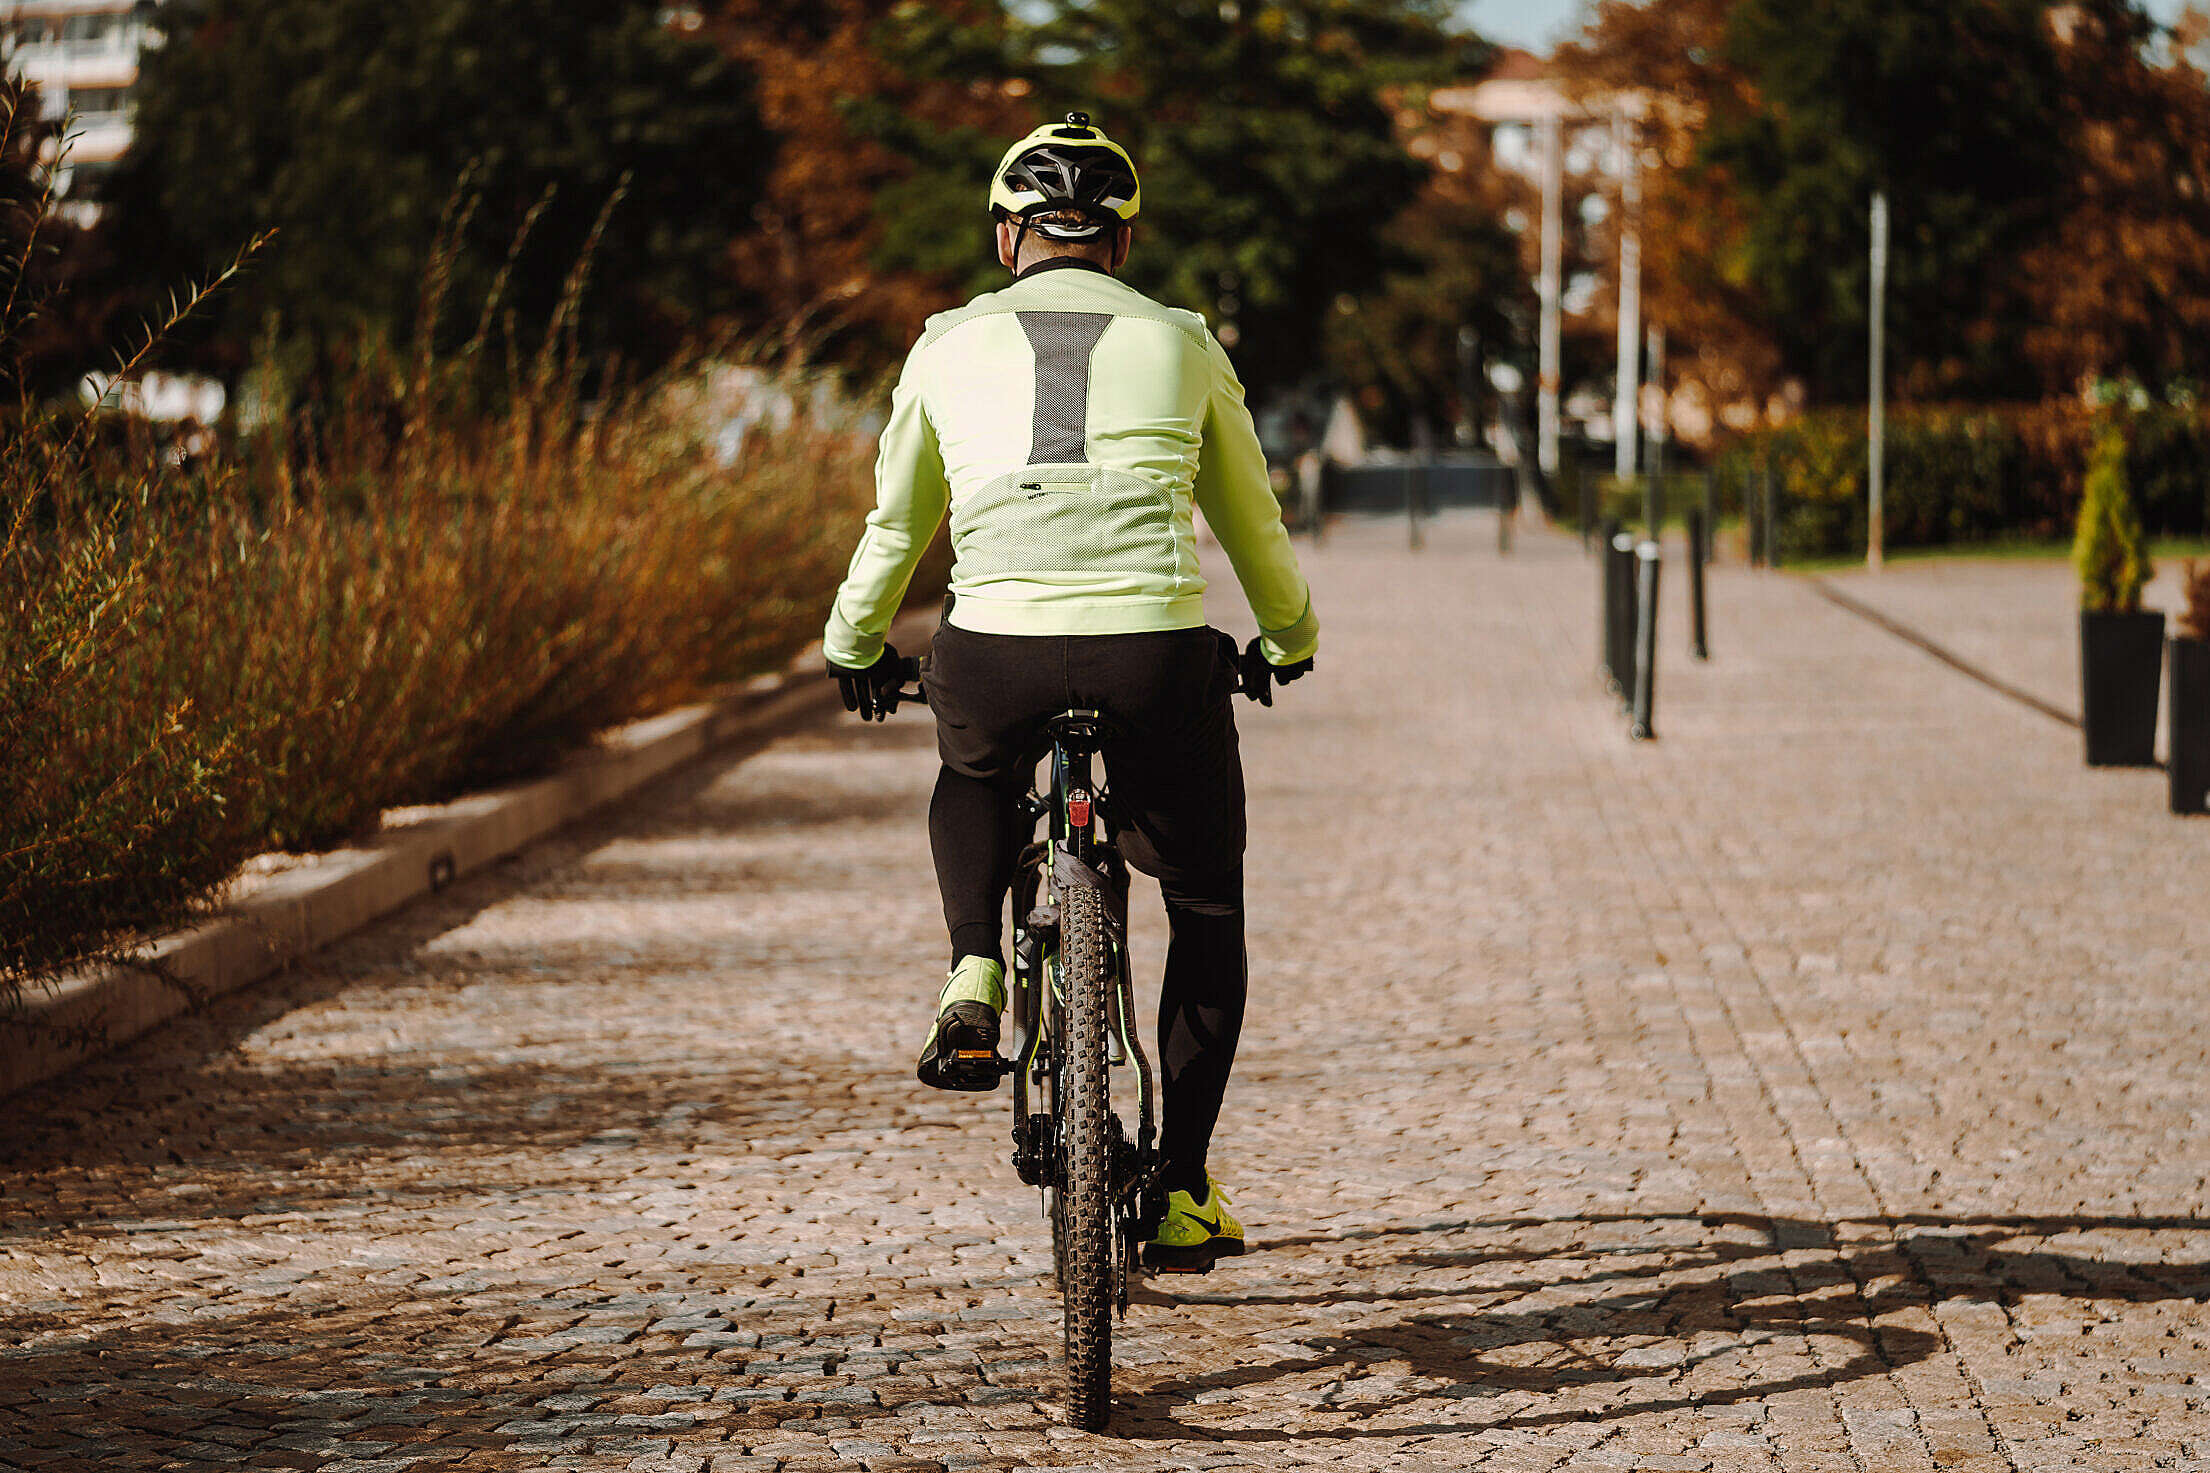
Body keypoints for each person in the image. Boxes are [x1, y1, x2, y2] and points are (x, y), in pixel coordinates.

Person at [822, 113, 1317, 1272]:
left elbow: (898, 523)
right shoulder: (1184, 341)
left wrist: (852, 647)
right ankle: (1181, 1187)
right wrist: (1286, 637)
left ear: (1009, 238)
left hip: (992, 647)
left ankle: (973, 971)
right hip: (1151, 654)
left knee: (972, 765)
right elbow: (1251, 520)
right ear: (1121, 245)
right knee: (1203, 904)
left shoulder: (944, 343)